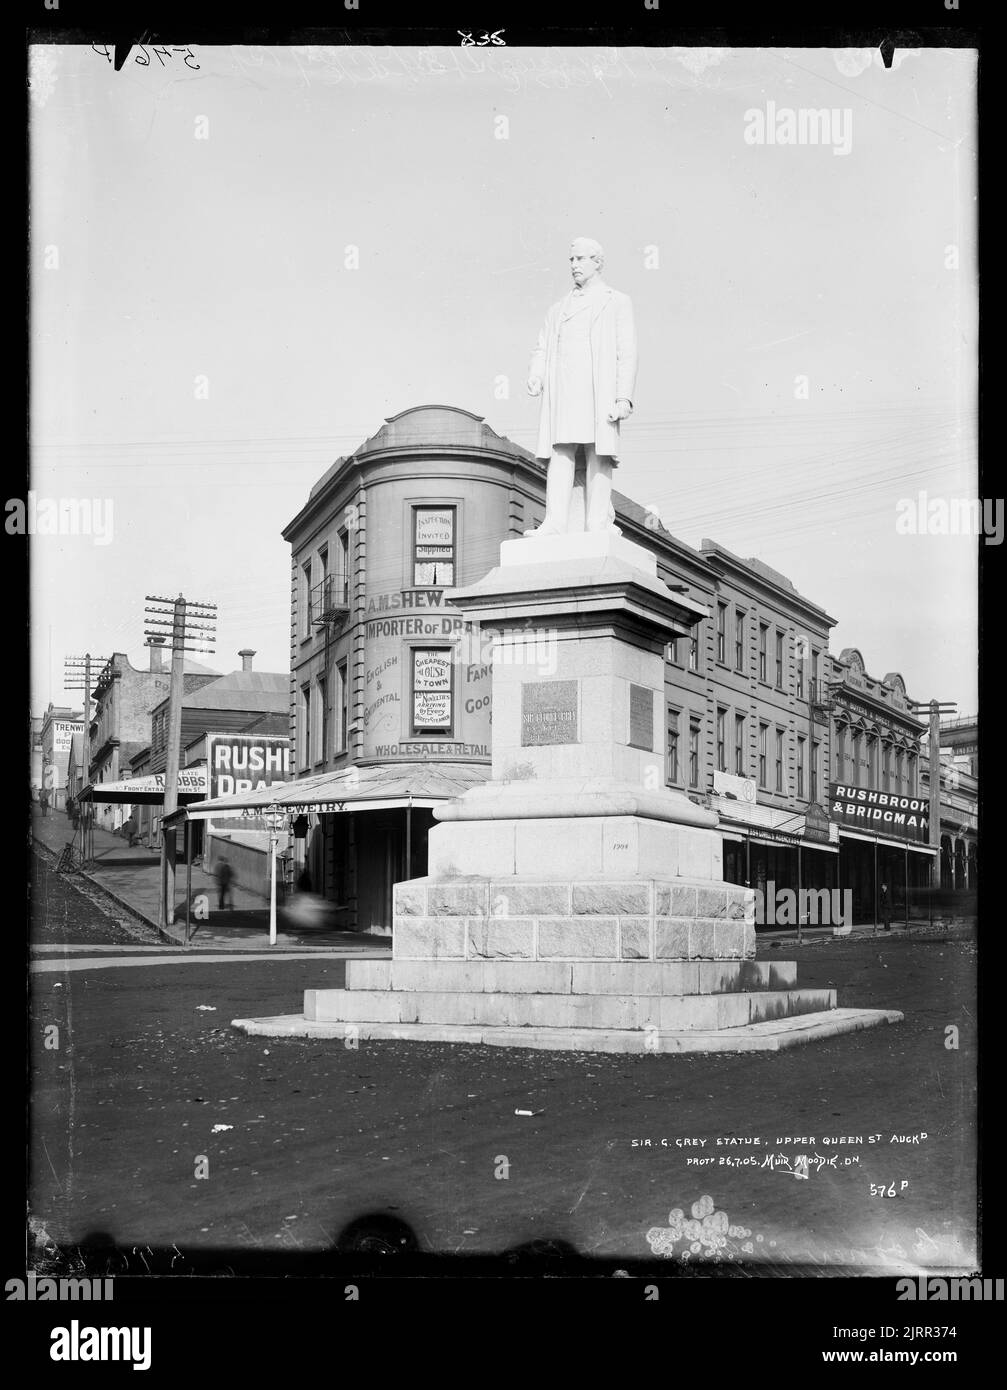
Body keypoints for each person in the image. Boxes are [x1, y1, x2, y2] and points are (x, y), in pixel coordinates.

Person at [526, 237, 638, 535]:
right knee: (561, 451)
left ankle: (596, 522)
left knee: (597, 452)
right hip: (564, 389)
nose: (574, 265)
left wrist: (623, 398)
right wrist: (537, 375)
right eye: (571, 260)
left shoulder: (616, 301)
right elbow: (541, 347)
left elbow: (626, 352)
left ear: (597, 262)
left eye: (581, 259)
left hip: (597, 389)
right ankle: (555, 522)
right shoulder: (557, 309)